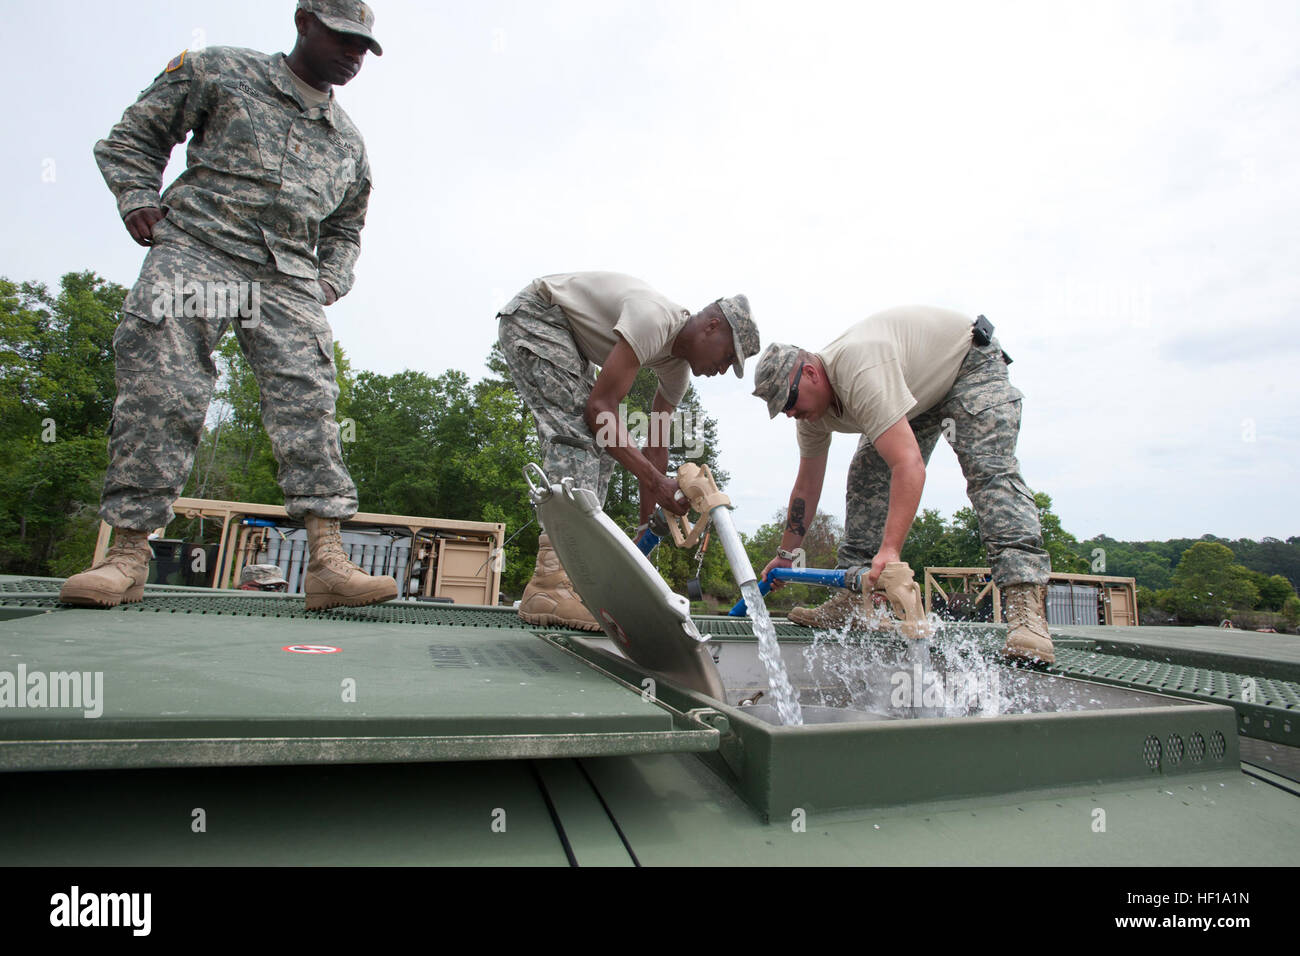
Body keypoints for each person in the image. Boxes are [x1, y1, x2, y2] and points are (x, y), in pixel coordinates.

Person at [61, 1, 397, 612]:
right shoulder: (220, 70)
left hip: (289, 276)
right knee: (161, 390)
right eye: (343, 39)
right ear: (303, 23)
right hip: (199, 248)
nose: (353, 56)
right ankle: (128, 557)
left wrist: (329, 280)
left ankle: (327, 562)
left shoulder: (348, 140)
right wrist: (137, 195)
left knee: (310, 405)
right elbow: (134, 135)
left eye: (363, 48)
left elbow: (348, 225)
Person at [750, 307, 1054, 664]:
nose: (789, 413)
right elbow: (806, 486)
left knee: (990, 474)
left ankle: (1026, 611)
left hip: (969, 365)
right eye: (781, 410)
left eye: (789, 401)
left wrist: (890, 552)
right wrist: (785, 555)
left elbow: (908, 465)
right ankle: (855, 598)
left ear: (812, 373)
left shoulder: (860, 371)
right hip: (918, 390)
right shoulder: (810, 415)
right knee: (867, 475)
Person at [498, 272, 760, 630]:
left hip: (566, 338)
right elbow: (598, 409)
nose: (724, 369)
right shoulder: (654, 320)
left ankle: (568, 577)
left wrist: (646, 524)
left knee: (607, 447)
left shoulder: (677, 372)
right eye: (729, 357)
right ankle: (548, 582)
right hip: (536, 317)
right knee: (581, 430)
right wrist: (657, 483)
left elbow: (655, 450)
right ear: (712, 326)